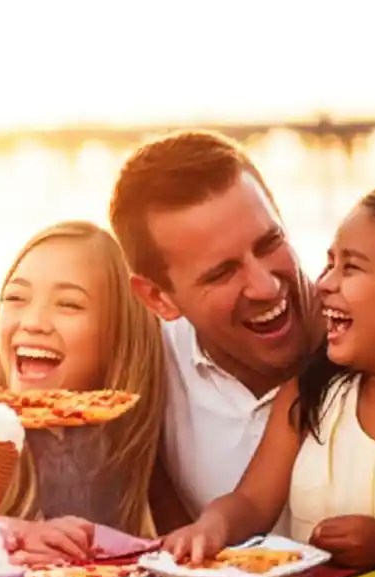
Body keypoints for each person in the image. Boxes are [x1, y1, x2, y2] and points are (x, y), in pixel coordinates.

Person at [164, 182, 375, 567]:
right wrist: (214, 524)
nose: (323, 283)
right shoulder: (309, 393)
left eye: (350, 267)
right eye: (330, 262)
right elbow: (251, 501)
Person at [0, 221, 167, 561]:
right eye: (15, 297)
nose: (33, 321)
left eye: (69, 305)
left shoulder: (139, 433)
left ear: (121, 334)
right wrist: (8, 538)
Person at [109, 130, 321, 532]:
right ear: (158, 299)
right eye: (223, 272)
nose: (266, 286)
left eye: (269, 242)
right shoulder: (147, 370)